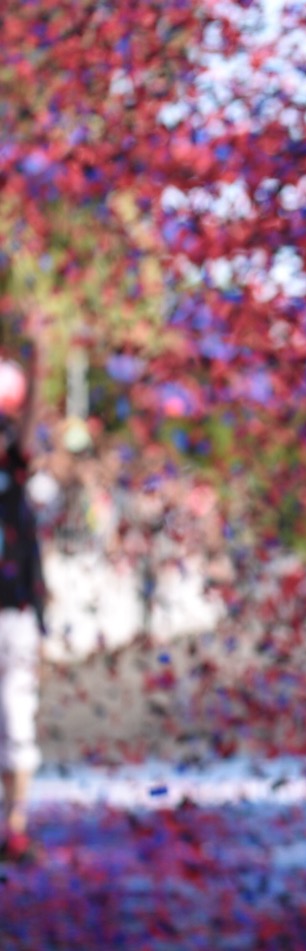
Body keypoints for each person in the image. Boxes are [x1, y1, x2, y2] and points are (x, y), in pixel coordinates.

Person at [0, 312, 45, 864]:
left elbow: (30, 421)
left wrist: (41, 354)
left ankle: (13, 827)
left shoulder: (15, 473)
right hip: (14, 615)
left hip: (13, 613)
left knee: (17, 720)